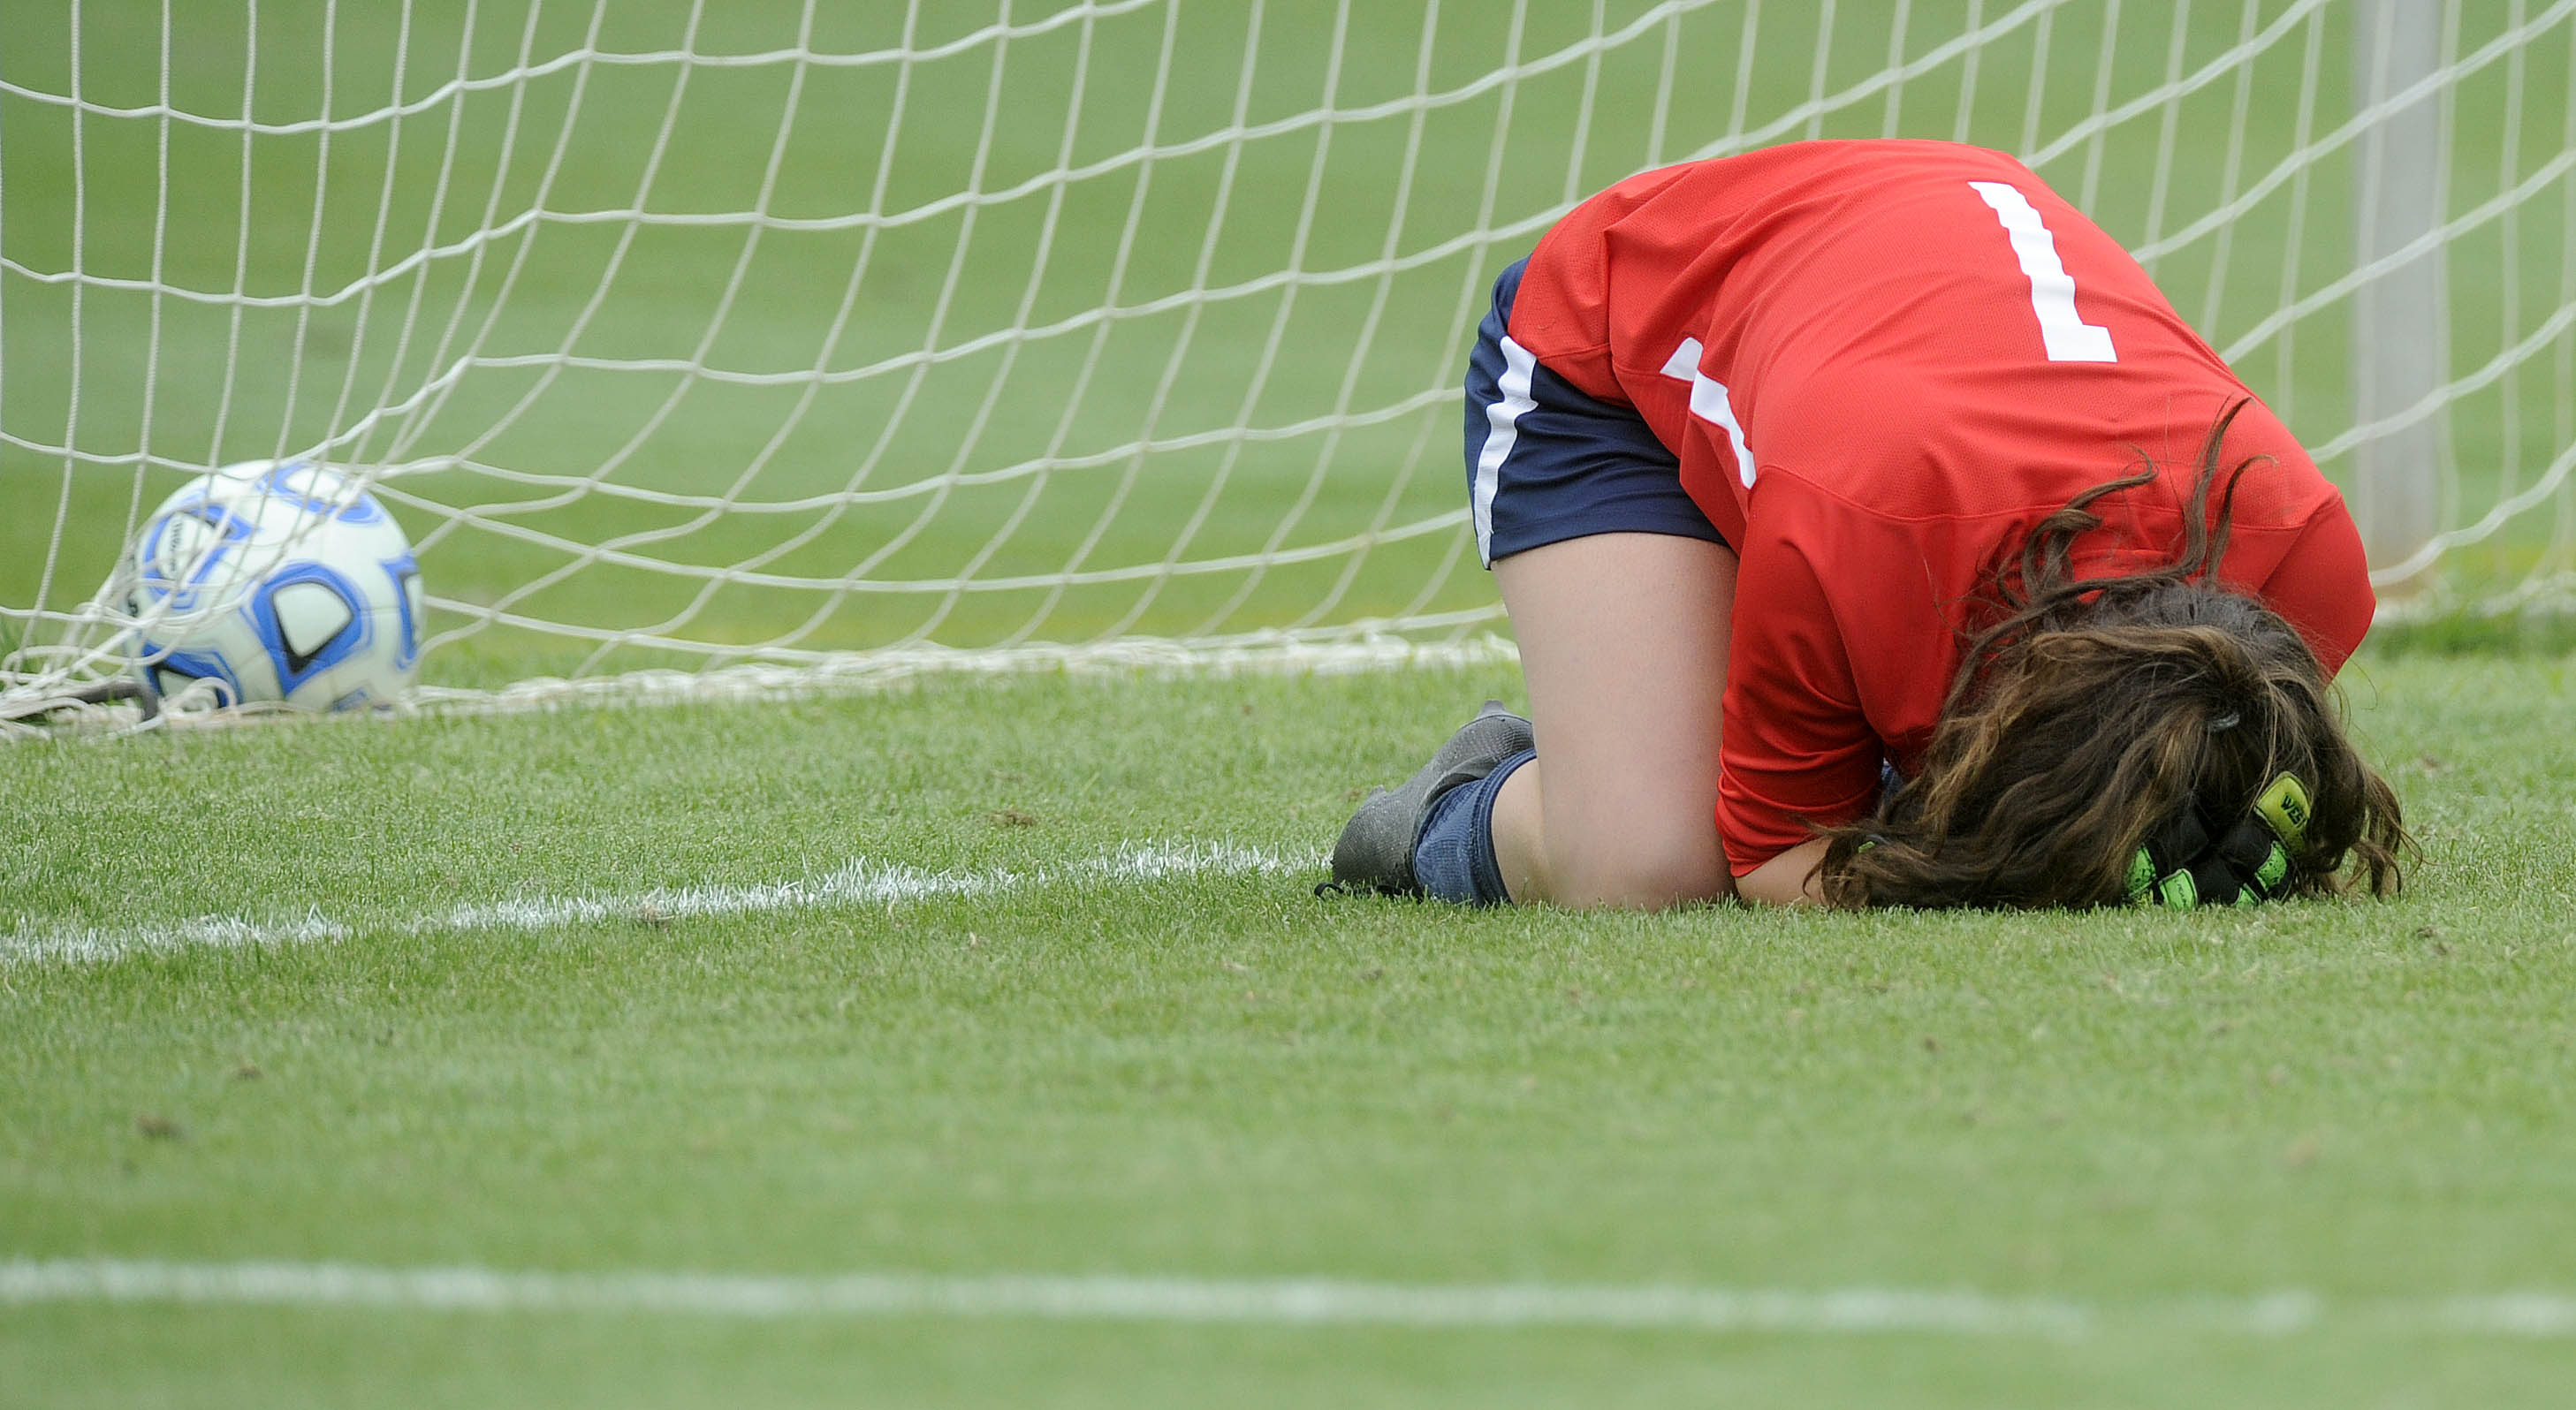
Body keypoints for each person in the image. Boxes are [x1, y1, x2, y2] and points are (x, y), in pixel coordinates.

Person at [1327, 139, 2408, 910]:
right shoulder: (1857, 526)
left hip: (1875, 319)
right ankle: (1463, 800)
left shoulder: (2305, 554)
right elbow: (1778, 865)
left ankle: (1646, 725)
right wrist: (2025, 871)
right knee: (1647, 871)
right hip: (1613, 347)